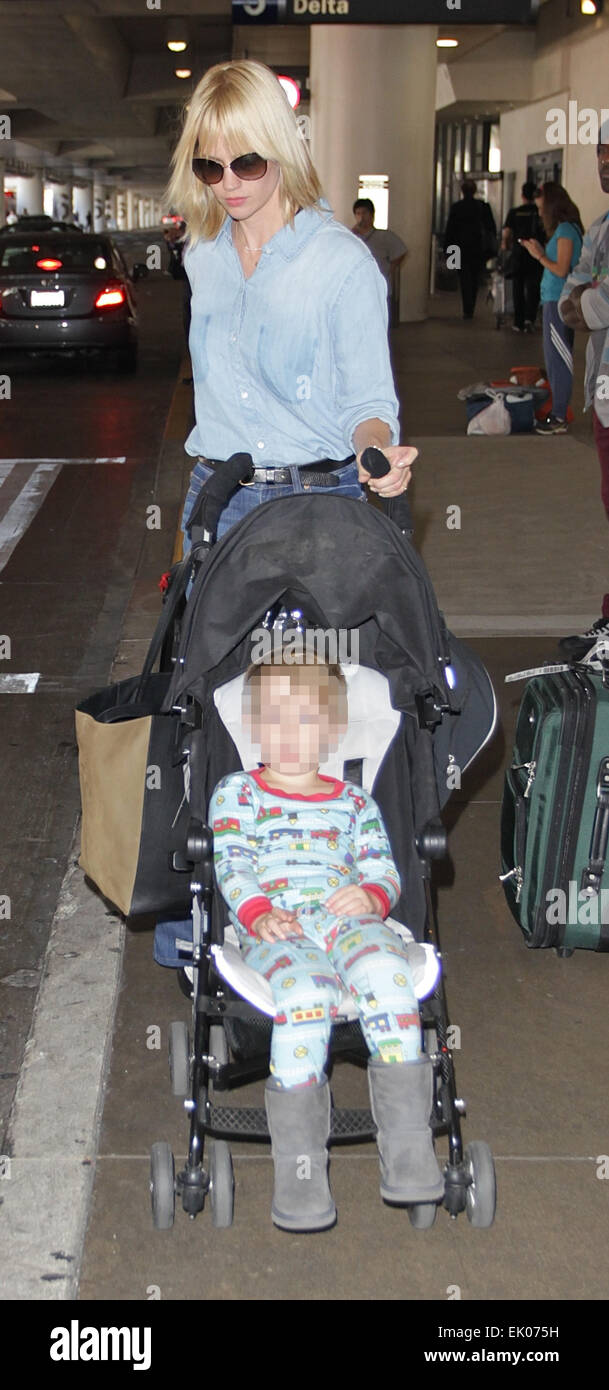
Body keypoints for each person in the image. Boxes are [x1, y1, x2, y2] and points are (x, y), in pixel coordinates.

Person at [208, 655, 444, 1232]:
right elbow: (232, 863)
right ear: (253, 729)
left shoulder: (354, 803)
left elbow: (385, 869)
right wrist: (259, 913)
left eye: (306, 720)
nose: (289, 734)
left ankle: (409, 1145)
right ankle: (301, 1167)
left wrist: (372, 896)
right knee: (307, 996)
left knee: (389, 977)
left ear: (333, 732)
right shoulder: (239, 793)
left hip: (349, 921)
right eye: (275, 720)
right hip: (279, 925)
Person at [164, 58, 416, 550]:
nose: (228, 184)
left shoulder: (341, 262)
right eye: (210, 167)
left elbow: (368, 403)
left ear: (281, 149)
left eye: (247, 162)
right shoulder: (203, 256)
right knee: (199, 630)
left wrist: (376, 455)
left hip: (319, 502)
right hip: (218, 500)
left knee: (324, 634)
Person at [557, 123, 609, 659]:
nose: (605, 160)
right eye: (601, 150)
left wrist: (590, 296)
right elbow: (576, 292)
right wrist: (588, 295)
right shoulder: (600, 225)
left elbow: (595, 303)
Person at [520, 181, 584, 435]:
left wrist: (539, 255)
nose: (539, 214)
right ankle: (557, 411)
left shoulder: (566, 231)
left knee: (558, 360)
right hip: (553, 300)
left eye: (541, 209)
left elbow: (560, 268)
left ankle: (559, 415)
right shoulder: (565, 229)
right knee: (555, 358)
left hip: (559, 302)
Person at [443, 179, 497, 320]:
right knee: (475, 277)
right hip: (478, 248)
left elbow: (450, 230)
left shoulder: (457, 207)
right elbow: (491, 228)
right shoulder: (483, 207)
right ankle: (470, 305)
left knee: (464, 278)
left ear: (462, 191)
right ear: (474, 191)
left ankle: (467, 308)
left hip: (460, 249)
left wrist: (448, 251)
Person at [502, 180, 545, 333]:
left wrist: (505, 246)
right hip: (536, 253)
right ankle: (530, 319)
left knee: (517, 288)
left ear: (522, 195)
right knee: (533, 287)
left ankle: (518, 321)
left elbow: (507, 234)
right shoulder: (539, 211)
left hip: (518, 254)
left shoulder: (514, 212)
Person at [351, 197, 407, 302]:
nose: (361, 217)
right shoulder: (351, 236)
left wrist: (390, 268)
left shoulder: (384, 236)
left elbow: (401, 251)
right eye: (358, 213)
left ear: (372, 215)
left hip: (380, 288)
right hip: (358, 289)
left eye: (364, 213)